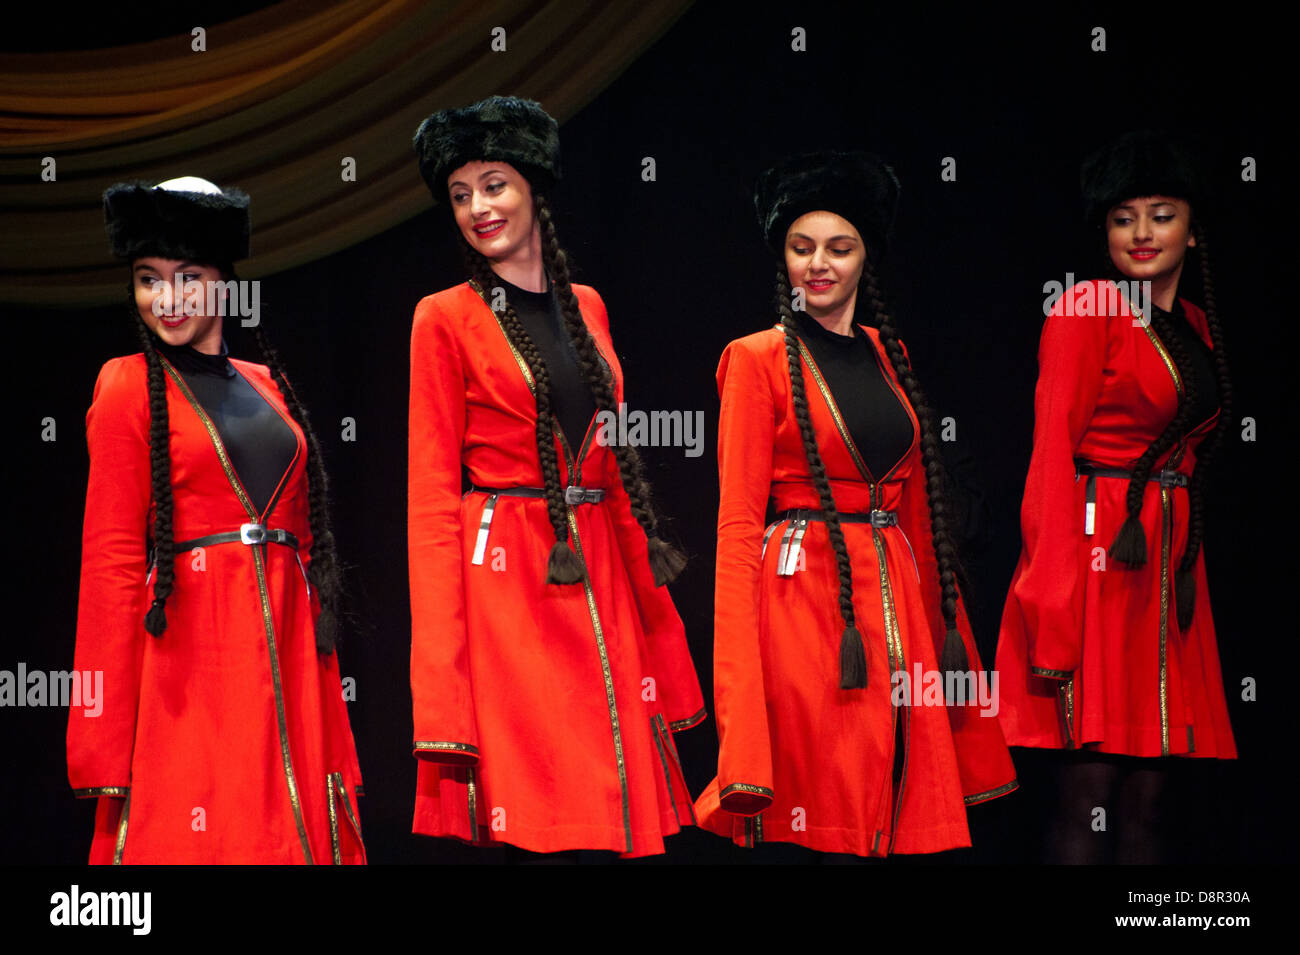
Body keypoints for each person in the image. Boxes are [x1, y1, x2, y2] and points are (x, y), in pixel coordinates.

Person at [692, 151, 1018, 857]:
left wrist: (945, 640)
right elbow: (738, 527)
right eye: (801, 247)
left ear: (866, 256)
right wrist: (740, 705)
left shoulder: (888, 351)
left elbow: (916, 507)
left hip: (893, 602)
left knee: (885, 806)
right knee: (822, 808)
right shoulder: (754, 358)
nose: (819, 264)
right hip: (805, 603)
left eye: (839, 247)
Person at [407, 96, 704, 858]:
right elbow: (431, 504)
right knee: (539, 815)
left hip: (596, 567)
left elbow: (614, 462)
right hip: (508, 580)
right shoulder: (442, 317)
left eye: (495, 184)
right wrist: (442, 681)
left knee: (609, 819)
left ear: (535, 187)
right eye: (461, 194)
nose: (479, 207)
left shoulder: (590, 307)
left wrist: (659, 630)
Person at [67, 177, 365, 864]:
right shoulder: (125, 386)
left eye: (187, 276)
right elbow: (109, 566)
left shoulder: (271, 385)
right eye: (148, 279)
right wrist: (103, 740)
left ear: (225, 282)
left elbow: (305, 546)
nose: (165, 299)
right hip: (190, 667)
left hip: (288, 661)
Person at [995, 130, 1236, 862]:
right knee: (1088, 792)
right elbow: (1048, 458)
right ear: (1103, 230)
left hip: (1166, 577)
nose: (1141, 233)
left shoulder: (1193, 325)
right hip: (1100, 566)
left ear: (1193, 231)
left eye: (1161, 214)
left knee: (1149, 802)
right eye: (1123, 216)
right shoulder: (1087, 307)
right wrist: (1052, 598)